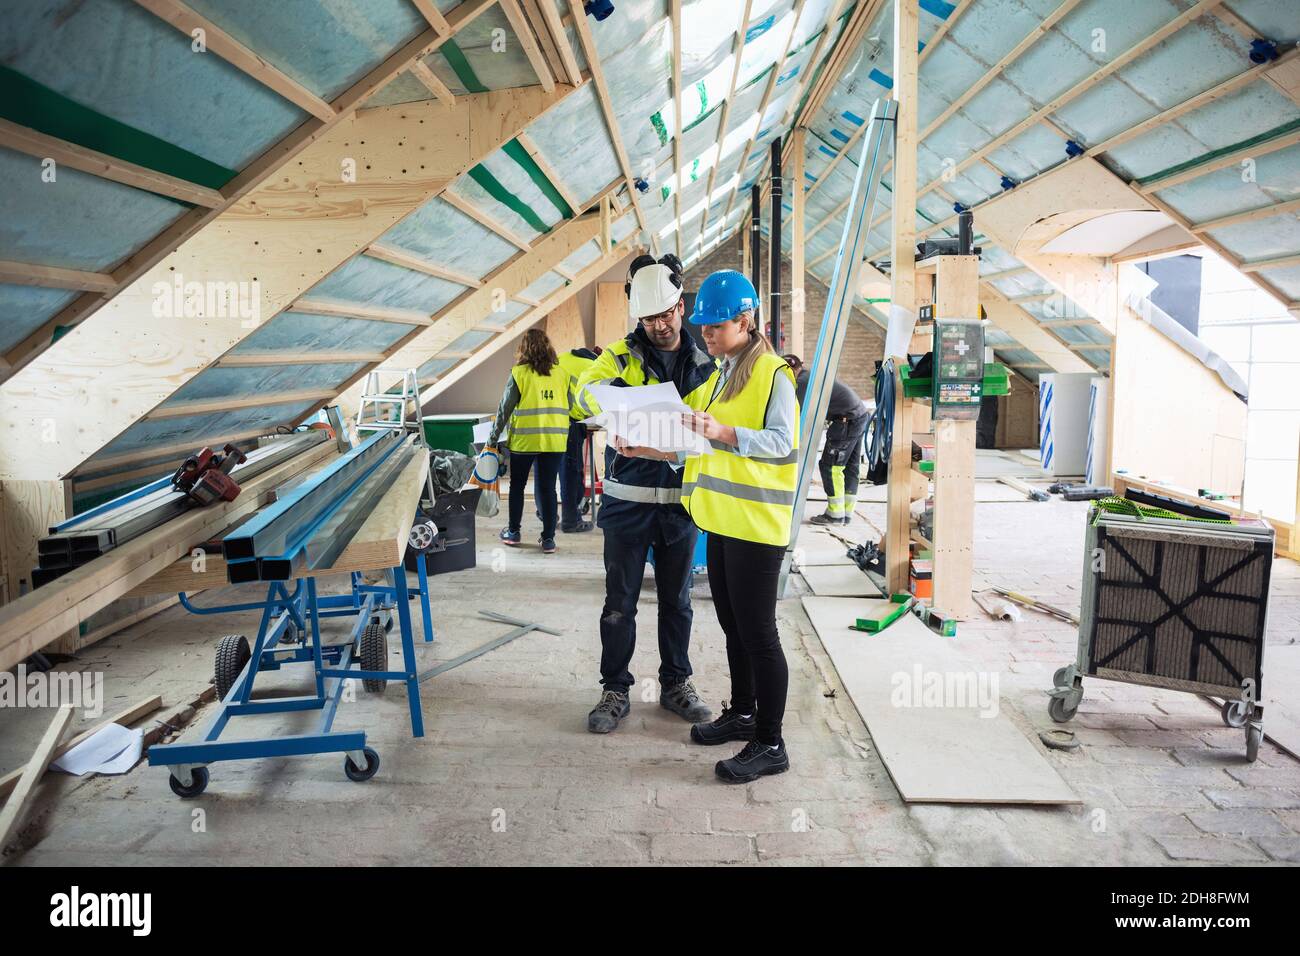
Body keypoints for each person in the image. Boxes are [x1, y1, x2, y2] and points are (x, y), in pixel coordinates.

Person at [574, 254, 717, 734]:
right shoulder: (618, 354)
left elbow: (710, 432)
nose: (659, 324)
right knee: (619, 605)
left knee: (678, 602)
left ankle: (676, 683)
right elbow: (583, 393)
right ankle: (614, 689)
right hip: (626, 504)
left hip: (680, 507)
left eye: (667, 313)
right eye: (649, 317)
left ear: (681, 306)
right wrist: (609, 404)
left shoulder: (706, 365)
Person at [682, 270, 799, 783]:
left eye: (716, 325)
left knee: (760, 636)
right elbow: (692, 435)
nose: (706, 333)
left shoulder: (774, 373)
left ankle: (770, 743)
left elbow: (782, 444)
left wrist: (725, 431)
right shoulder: (719, 375)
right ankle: (743, 712)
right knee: (734, 628)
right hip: (724, 522)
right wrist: (643, 445)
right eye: (703, 326)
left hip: (757, 524)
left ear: (745, 320)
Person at [486, 328, 569, 554]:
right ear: (548, 347)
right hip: (554, 442)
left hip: (525, 442)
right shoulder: (562, 374)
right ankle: (549, 539)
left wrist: (492, 439)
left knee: (517, 487)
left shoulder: (519, 373)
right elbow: (571, 406)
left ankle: (513, 532)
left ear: (524, 348)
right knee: (548, 489)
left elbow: (504, 410)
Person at [784, 354, 870, 526]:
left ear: (790, 370)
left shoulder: (801, 382)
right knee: (850, 467)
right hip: (859, 415)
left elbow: (798, 415)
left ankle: (835, 515)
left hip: (846, 420)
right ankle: (845, 513)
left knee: (830, 466)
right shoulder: (810, 376)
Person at [555, 345, 601, 533]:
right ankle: (570, 521)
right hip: (569, 422)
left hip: (548, 420)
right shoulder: (594, 365)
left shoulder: (564, 356)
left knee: (552, 470)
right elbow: (596, 399)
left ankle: (546, 513)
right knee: (570, 471)